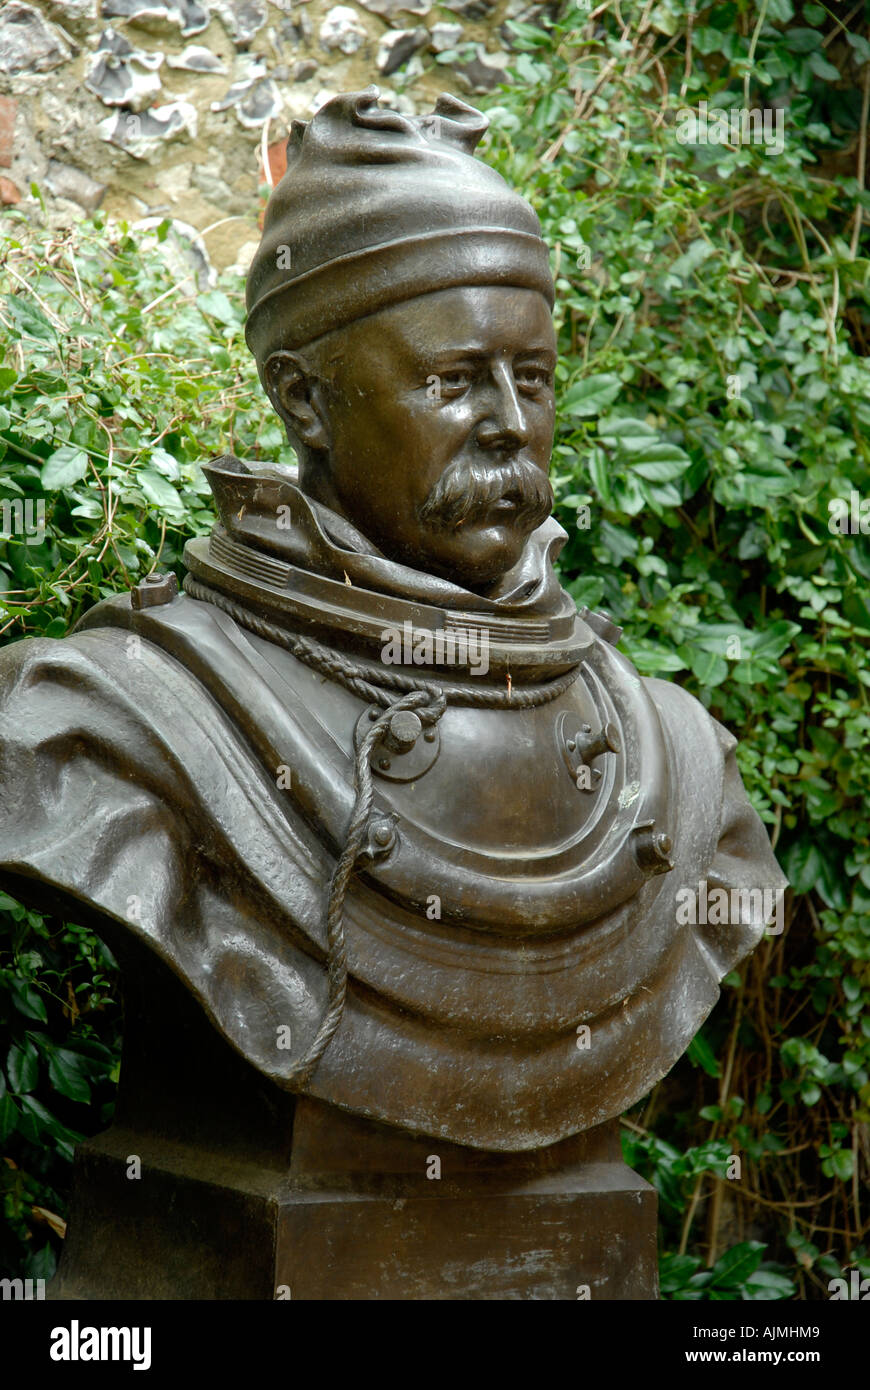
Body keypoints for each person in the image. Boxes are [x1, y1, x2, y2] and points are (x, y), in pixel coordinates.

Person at [0, 88, 785, 1151]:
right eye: (454, 380)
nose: (513, 425)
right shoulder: (104, 723)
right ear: (303, 399)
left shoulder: (683, 772)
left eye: (537, 379)